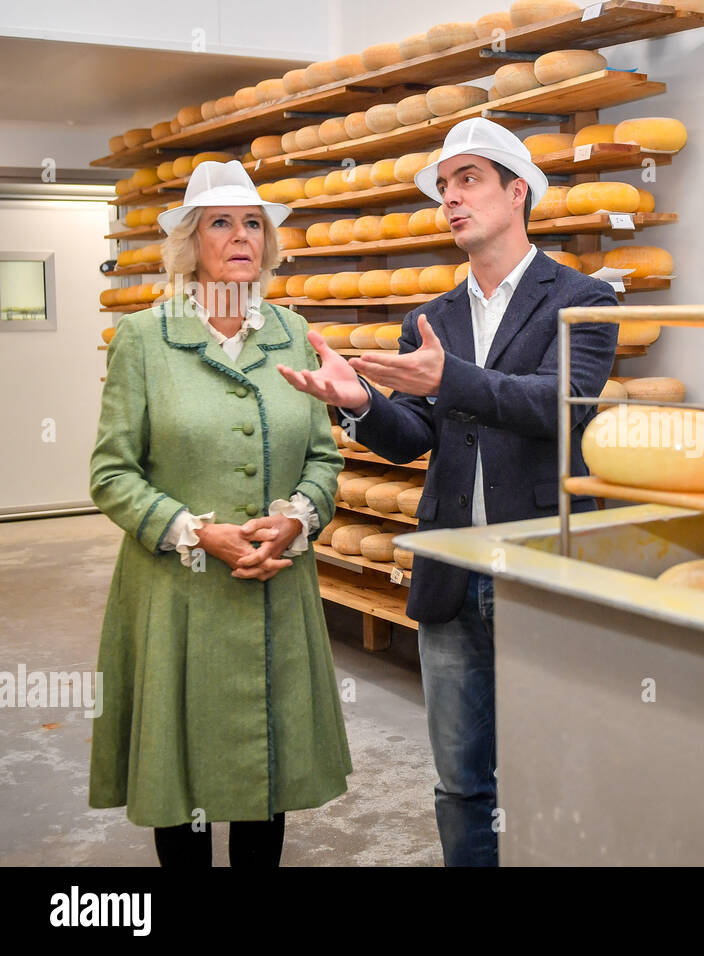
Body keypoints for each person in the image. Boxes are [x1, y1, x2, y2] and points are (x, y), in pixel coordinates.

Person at [278, 118, 619, 866]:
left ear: (516, 190)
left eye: (468, 179)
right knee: (461, 780)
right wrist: (360, 403)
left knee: (555, 768)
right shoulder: (429, 319)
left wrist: (451, 380)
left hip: (542, 571)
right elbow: (415, 438)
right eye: (444, 187)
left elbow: (560, 404)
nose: (451, 198)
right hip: (451, 577)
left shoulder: (585, 297)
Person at [89, 161, 351, 867]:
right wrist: (196, 532)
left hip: (278, 583)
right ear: (191, 243)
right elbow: (111, 472)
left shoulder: (293, 334)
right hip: (180, 592)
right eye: (221, 222)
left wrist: (298, 517)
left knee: (269, 783)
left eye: (253, 222)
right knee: (184, 778)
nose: (241, 235)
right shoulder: (146, 341)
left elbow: (325, 458)